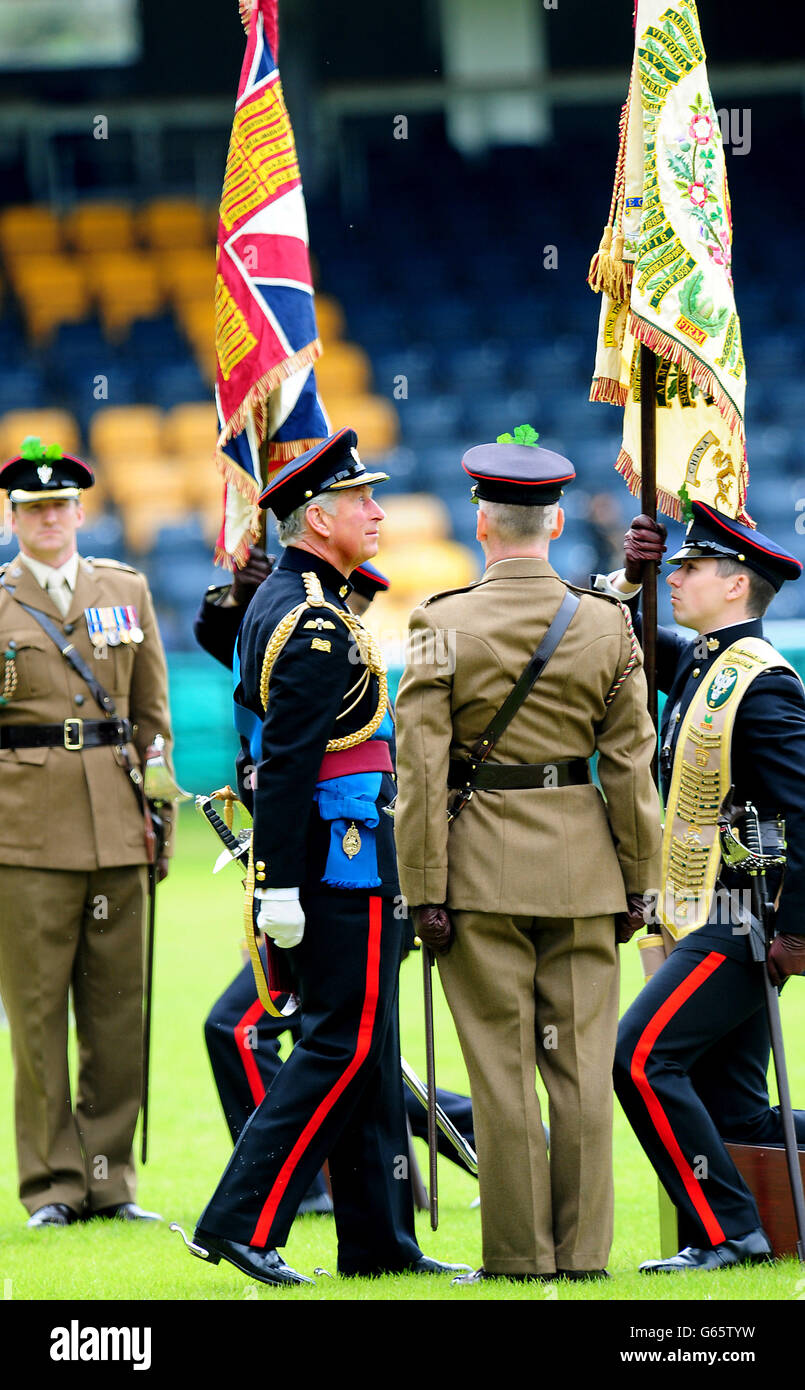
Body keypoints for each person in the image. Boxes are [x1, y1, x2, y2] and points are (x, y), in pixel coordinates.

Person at [179, 427, 469, 1286]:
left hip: (343, 860)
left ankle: (381, 1245)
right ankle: (237, 1222)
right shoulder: (308, 621)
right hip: (338, 865)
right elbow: (287, 768)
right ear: (314, 518)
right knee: (337, 1047)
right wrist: (277, 891)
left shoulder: (299, 600)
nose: (377, 512)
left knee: (371, 1055)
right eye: (360, 501)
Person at [393, 434, 662, 1283]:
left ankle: (517, 1256)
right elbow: (628, 772)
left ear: (481, 522)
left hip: (476, 873)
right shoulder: (606, 622)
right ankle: (583, 1257)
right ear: (552, 524)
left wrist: (421, 890)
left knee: (501, 1072)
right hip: (583, 870)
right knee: (580, 1069)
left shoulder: (438, 622)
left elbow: (421, 772)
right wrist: (638, 886)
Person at [194, 553, 477, 1197]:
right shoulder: (303, 649)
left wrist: (278, 889)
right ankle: (394, 1206)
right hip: (323, 870)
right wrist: (240, 590)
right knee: (357, 1047)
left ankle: (281, 1198)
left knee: (338, 1042)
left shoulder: (349, 677)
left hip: (356, 872)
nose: (350, 623)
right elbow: (234, 652)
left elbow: (305, 769)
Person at [607, 503, 805, 1273]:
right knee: (732, 1106)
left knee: (641, 1058)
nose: (675, 576)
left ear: (735, 587)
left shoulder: (759, 684)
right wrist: (634, 573)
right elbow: (618, 633)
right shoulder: (701, 661)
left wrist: (795, 925)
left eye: (688, 568)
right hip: (705, 911)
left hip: (745, 918)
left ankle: (727, 1231)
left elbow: (800, 809)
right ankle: (736, 1232)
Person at [0, 436, 174, 1228]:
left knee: (117, 1015)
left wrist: (160, 820)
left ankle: (110, 1182)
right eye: (32, 508)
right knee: (37, 1019)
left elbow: (152, 721)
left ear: (79, 510)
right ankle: (52, 1188)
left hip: (117, 826)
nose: (48, 518)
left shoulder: (124, 589)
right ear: (14, 517)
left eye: (59, 505)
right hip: (25, 837)